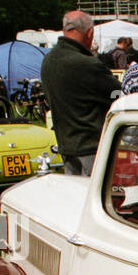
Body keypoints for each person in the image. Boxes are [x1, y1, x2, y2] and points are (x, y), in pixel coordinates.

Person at [40, 10, 121, 176]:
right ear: (90, 33)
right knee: (98, 197)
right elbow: (118, 95)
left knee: (75, 195)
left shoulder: (48, 61)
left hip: (66, 144)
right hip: (92, 145)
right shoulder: (87, 64)